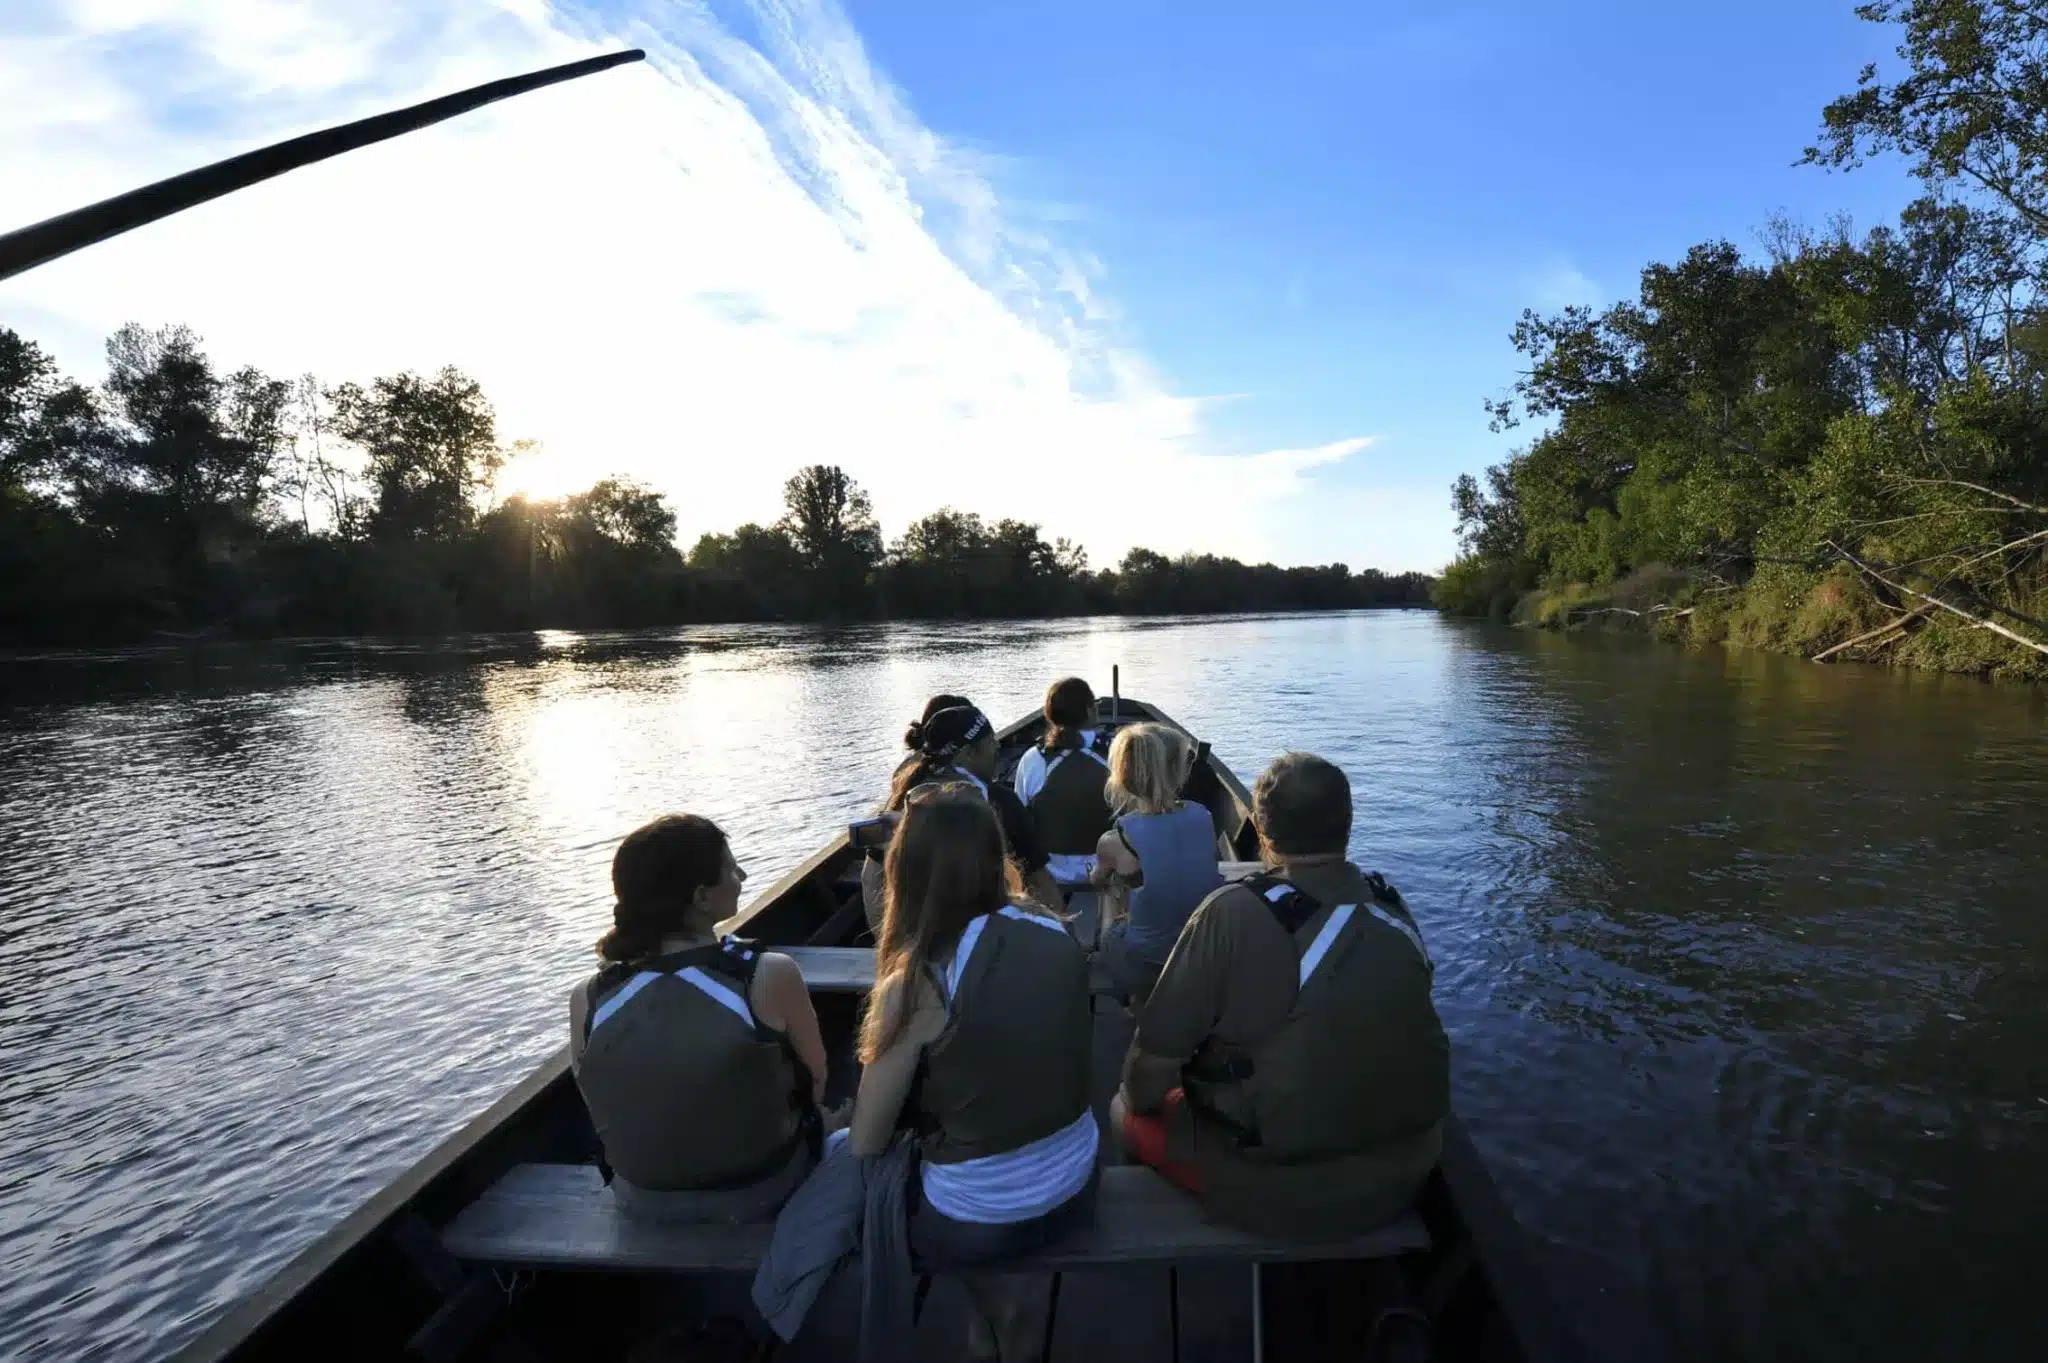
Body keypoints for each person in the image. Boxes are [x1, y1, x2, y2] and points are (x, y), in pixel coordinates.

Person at [1112, 752, 1449, 1235]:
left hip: (1273, 1191)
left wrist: (1145, 1093)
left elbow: (1150, 1070)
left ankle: (1158, 1251)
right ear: (1348, 825)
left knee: (1123, 1108)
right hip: (1405, 1172)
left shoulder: (1228, 914)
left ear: (1263, 835)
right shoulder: (1395, 913)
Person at [850, 785, 1097, 1362]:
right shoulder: (1054, 929)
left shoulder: (914, 985)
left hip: (975, 1216)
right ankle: (1001, 1324)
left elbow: (867, 1142)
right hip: (1077, 1183)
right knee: (1000, 1312)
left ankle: (995, 1323)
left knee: (846, 1164)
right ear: (995, 854)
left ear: (903, 870)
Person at [570, 814, 831, 1222]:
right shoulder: (767, 973)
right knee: (858, 1141)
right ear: (701, 898)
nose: (742, 874)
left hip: (640, 1200)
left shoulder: (590, 996)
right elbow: (815, 1084)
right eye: (731, 868)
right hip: (762, 1190)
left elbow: (593, 1101)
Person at [860, 703, 1063, 928]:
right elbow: (1040, 880)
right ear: (967, 754)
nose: (997, 747)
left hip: (924, 940)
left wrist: (888, 950)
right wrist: (1065, 932)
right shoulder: (1001, 802)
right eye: (990, 742)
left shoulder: (902, 799)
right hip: (986, 938)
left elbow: (870, 879)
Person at [1089, 722, 1222, 1007]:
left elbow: (1096, 880)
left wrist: (1102, 881)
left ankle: (1135, 993)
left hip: (1146, 959)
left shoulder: (1115, 840)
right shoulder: (1203, 815)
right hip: (1197, 946)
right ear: (1178, 772)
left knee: (1108, 887)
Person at [1011, 677, 1111, 881]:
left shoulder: (1033, 758)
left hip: (1049, 873)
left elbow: (1019, 816)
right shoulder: (1113, 754)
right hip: (1108, 870)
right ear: (1090, 710)